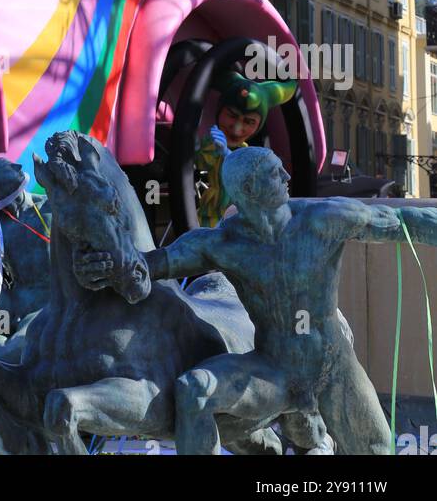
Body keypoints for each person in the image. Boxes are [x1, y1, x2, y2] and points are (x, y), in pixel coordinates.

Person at [141, 147, 437, 455]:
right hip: (273, 369)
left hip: (330, 368)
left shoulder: (324, 220)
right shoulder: (222, 243)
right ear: (249, 189)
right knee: (194, 390)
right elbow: (153, 264)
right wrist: (111, 265)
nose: (287, 176)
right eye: (274, 172)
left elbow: (403, 220)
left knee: (376, 450)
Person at [193, 70, 297, 226]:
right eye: (232, 116)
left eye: (249, 122)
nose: (236, 129)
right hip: (209, 222)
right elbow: (200, 166)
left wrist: (227, 154)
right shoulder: (208, 146)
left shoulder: (251, 156)